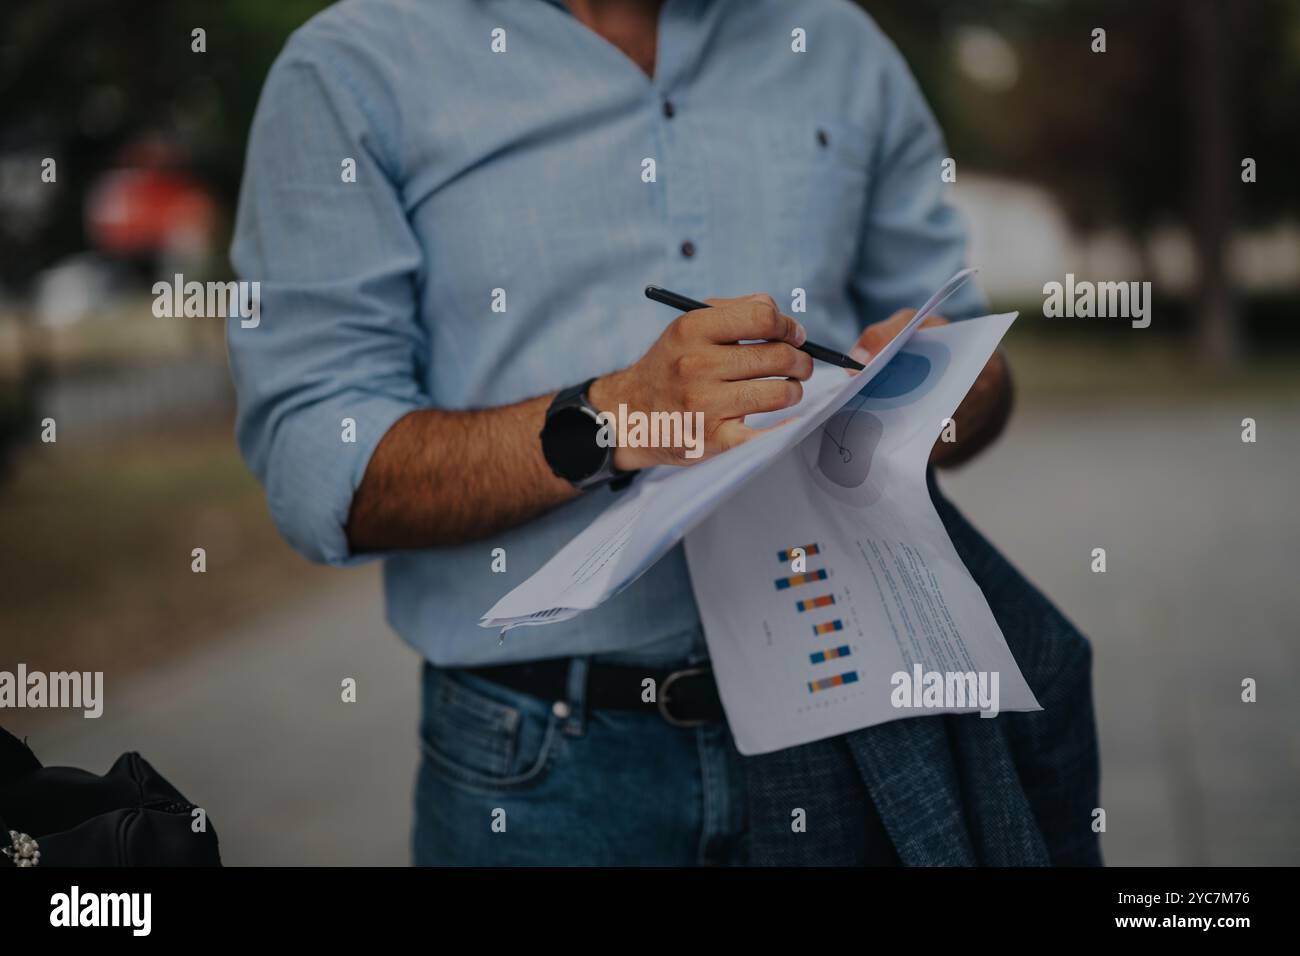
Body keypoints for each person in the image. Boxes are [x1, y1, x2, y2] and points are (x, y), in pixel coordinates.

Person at [228, 0, 1098, 865]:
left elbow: (966, 359)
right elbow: (320, 471)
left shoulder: (838, 43)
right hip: (545, 774)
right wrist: (617, 418)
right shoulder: (352, 67)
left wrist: (957, 392)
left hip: (853, 716)